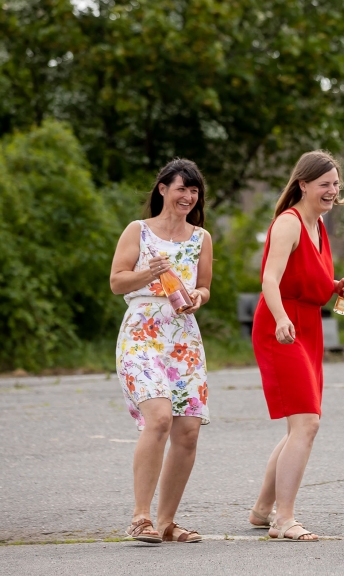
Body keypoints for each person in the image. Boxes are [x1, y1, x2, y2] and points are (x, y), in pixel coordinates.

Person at [249, 151, 344, 541]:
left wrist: (336, 288)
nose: (332, 191)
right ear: (303, 185)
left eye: (335, 185)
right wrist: (280, 319)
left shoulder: (319, 225)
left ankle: (263, 510)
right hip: (281, 324)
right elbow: (270, 280)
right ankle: (284, 519)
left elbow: (308, 280)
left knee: (301, 423)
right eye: (325, 184)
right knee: (307, 422)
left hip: (308, 325)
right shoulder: (289, 223)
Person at [110, 159, 213, 544]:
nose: (188, 196)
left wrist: (197, 299)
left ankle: (166, 522)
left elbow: (204, 287)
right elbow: (118, 282)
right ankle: (140, 517)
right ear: (162, 189)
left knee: (187, 432)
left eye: (194, 190)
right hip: (142, 331)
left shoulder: (200, 238)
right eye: (181, 188)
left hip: (183, 337)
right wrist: (148, 274)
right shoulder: (138, 231)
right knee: (159, 418)